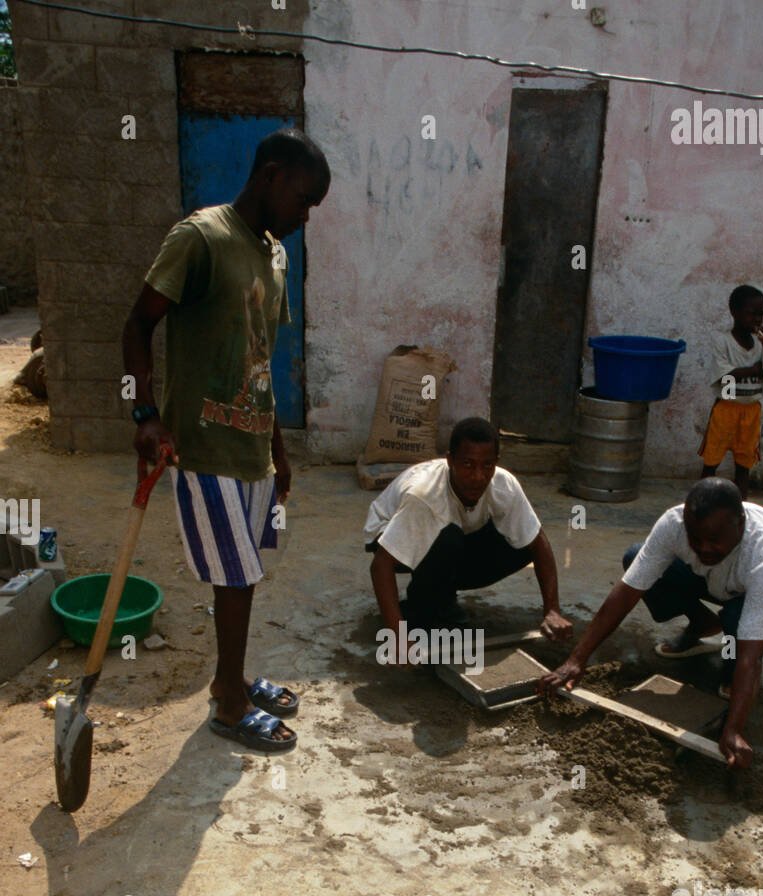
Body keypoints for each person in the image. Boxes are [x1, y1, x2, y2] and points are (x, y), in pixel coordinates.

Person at [122, 128, 331, 753]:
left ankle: (232, 675)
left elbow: (260, 360)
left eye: (313, 207)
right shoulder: (200, 238)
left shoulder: (275, 255)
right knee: (235, 576)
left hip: (253, 450)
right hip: (201, 445)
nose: (304, 215)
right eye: (301, 199)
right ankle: (229, 702)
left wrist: (280, 449)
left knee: (248, 570)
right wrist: (144, 414)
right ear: (269, 175)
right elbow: (136, 326)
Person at [538, 478, 763, 770]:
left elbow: (753, 656)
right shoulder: (675, 524)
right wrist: (577, 658)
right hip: (721, 583)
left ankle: (728, 669)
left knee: (737, 623)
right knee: (636, 557)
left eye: (714, 540)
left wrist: (733, 728)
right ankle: (702, 625)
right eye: (695, 538)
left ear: (740, 525)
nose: (703, 548)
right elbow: (626, 593)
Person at [364, 417, 573, 655]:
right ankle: (418, 610)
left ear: (496, 463)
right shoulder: (424, 496)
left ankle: (443, 594)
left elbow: (537, 542)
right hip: (387, 537)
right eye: (467, 465)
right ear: (450, 460)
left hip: (457, 535)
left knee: (521, 541)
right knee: (448, 538)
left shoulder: (504, 484)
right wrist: (397, 635)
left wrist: (552, 609)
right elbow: (381, 564)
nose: (478, 476)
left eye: (487, 466)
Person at [698, 283, 763, 500]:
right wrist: (751, 370)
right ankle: (702, 501)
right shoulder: (723, 342)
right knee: (712, 459)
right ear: (734, 312)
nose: (757, 319)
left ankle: (742, 508)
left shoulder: (760, 345)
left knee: (744, 464)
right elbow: (725, 377)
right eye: (752, 313)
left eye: (761, 314)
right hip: (727, 407)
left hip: (751, 410)